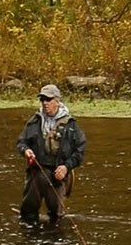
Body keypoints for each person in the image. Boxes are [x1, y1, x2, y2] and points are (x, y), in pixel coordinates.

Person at [17, 83, 86, 234]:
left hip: (58, 175)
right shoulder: (34, 122)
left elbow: (79, 151)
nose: (45, 103)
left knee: (56, 216)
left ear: (57, 101)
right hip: (36, 171)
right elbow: (21, 142)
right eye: (42, 100)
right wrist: (26, 151)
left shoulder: (71, 125)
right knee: (27, 213)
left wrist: (66, 167)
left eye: (48, 100)